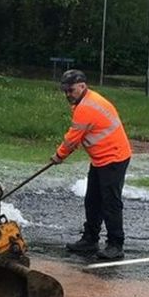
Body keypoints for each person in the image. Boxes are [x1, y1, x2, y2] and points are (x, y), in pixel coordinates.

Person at [51, 69, 132, 261]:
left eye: (70, 90)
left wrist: (58, 156)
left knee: (110, 203)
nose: (67, 95)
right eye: (65, 91)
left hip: (113, 158)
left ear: (82, 86)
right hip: (101, 158)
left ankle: (115, 245)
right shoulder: (86, 101)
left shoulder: (87, 107)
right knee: (93, 200)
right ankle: (90, 239)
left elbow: (72, 140)